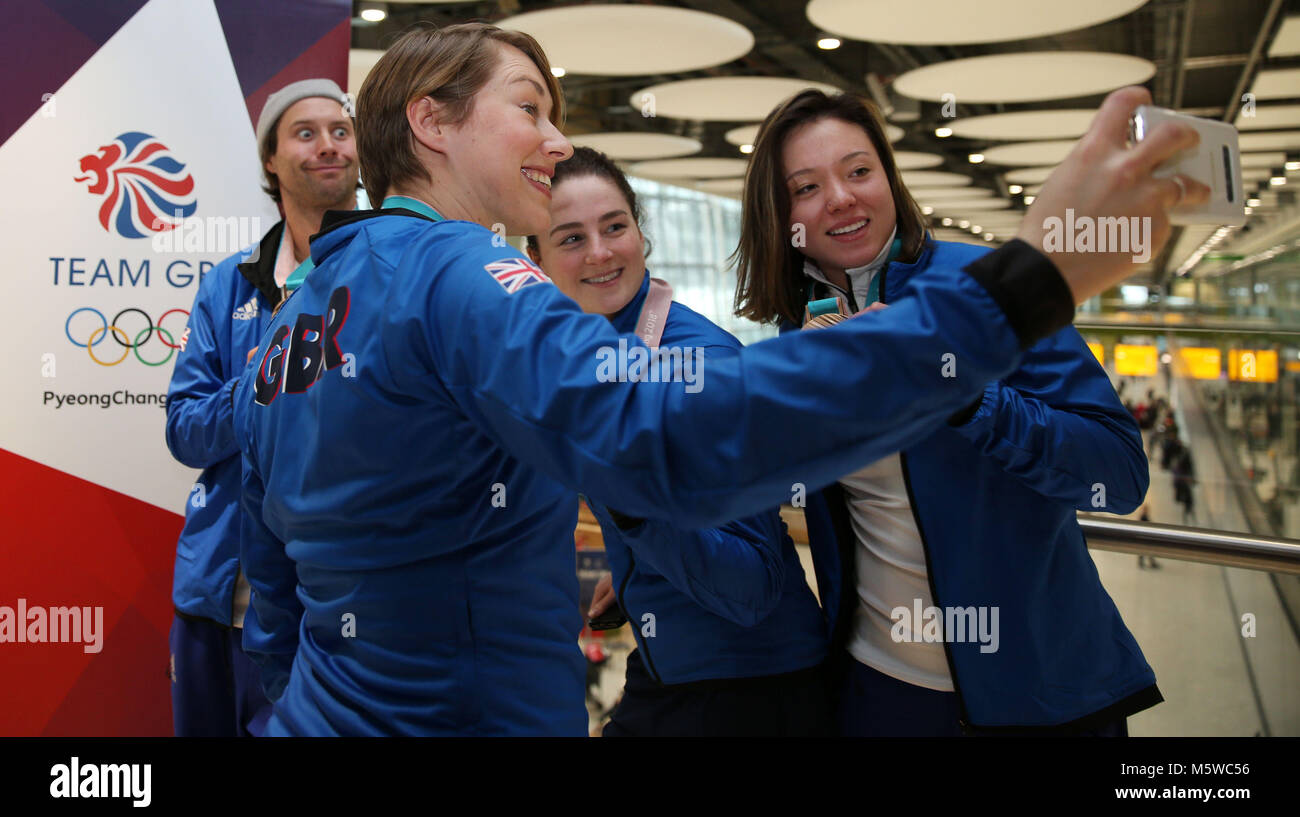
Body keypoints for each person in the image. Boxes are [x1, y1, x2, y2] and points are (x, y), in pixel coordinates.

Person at [231, 21, 1207, 736]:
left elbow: (267, 554)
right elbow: (671, 439)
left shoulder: (306, 304)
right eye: (528, 107)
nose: (558, 140)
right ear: (431, 123)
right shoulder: (464, 274)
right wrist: (1018, 289)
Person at [732, 89, 1160, 736]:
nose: (842, 198)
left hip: (1042, 692)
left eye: (858, 171)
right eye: (806, 187)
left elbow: (1120, 473)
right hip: (879, 693)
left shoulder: (986, 287)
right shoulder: (798, 338)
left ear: (888, 179)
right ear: (780, 213)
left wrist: (965, 396)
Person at [525, 147, 830, 736]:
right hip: (684, 669)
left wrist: (633, 509)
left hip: (753, 691)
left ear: (641, 232)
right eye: (570, 238)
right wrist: (637, 563)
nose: (600, 252)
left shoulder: (698, 367)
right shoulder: (604, 344)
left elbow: (753, 586)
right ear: (534, 258)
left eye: (615, 227)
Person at [163, 78, 357, 736]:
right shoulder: (229, 284)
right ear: (270, 161)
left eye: (341, 130)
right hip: (214, 604)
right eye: (306, 133)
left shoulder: (385, 274)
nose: (329, 145)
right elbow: (186, 430)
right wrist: (258, 381)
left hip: (330, 608)